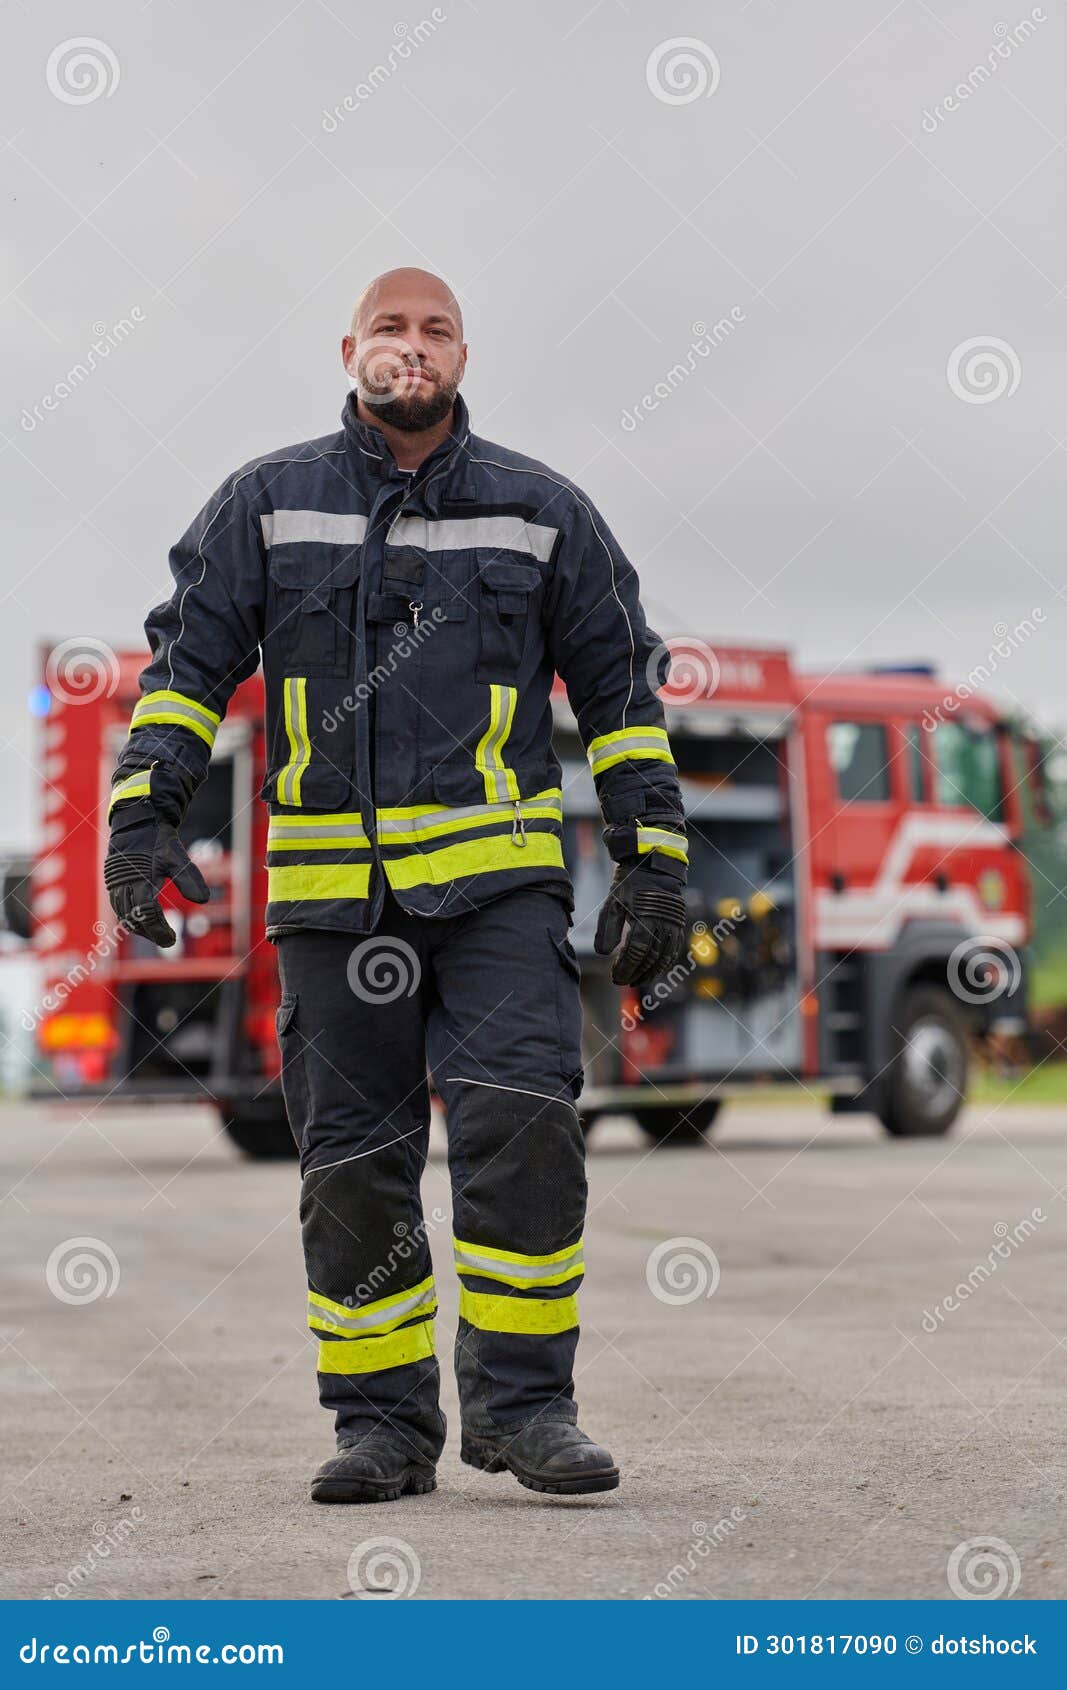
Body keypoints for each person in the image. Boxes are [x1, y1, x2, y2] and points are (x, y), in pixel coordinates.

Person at [104, 268, 688, 1504]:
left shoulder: (543, 512)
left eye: (431, 330)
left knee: (522, 1131)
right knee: (352, 1169)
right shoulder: (265, 505)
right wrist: (142, 820)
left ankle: (526, 1413)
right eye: (388, 328)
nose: (408, 348)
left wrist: (653, 863)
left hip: (496, 896)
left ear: (463, 353)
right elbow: (183, 672)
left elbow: (622, 699)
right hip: (332, 902)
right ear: (350, 349)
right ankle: (380, 1428)